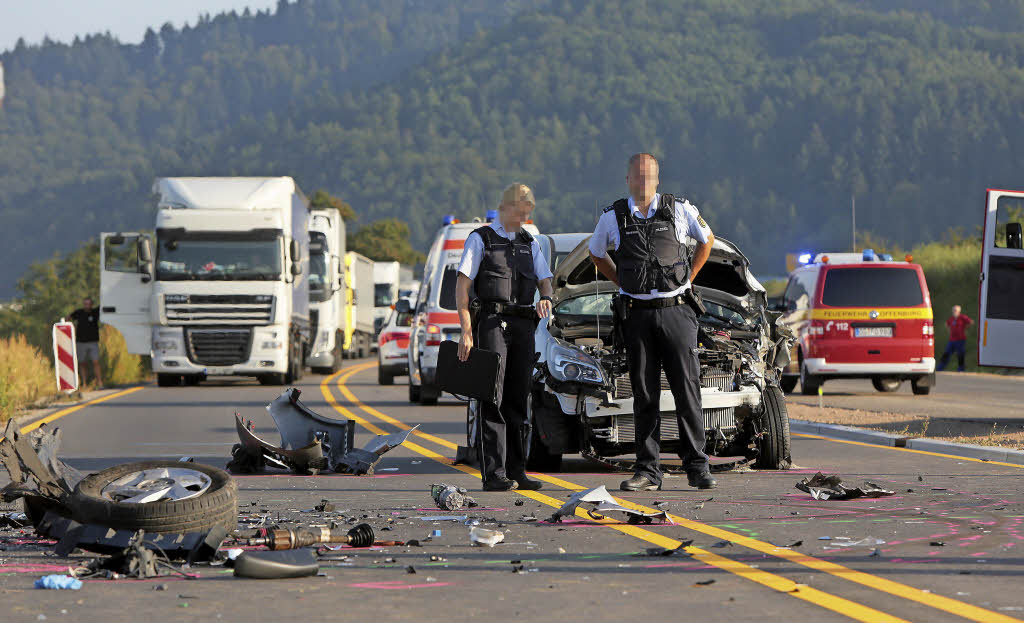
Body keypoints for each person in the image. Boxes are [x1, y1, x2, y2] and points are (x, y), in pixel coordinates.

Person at [590, 153, 716, 492]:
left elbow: (708, 241)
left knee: (686, 390)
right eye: (637, 176)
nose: (643, 181)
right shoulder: (613, 217)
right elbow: (596, 252)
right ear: (628, 179)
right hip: (638, 315)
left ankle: (697, 466)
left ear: (657, 180)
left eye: (649, 176)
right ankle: (647, 471)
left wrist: (689, 276)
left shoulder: (680, 209)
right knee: (644, 395)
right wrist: (621, 281)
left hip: (677, 312)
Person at [455, 183, 554, 492]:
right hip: (493, 323)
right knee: (492, 397)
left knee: (518, 398)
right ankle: (494, 473)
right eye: (521, 211)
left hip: (524, 324)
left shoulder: (529, 243)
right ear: (507, 207)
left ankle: (517, 471)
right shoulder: (480, 239)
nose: (525, 217)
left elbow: (546, 279)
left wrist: (546, 297)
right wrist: (466, 330)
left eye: (529, 212)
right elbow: (462, 285)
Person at [69, 297, 103, 387]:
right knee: (82, 363)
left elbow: (105, 305)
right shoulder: (79, 313)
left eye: (89, 304)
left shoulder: (95, 312)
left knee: (96, 361)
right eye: (85, 304)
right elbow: (68, 318)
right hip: (81, 342)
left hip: (93, 342)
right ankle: (84, 383)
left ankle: (100, 382)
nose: (87, 306)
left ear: (92, 305)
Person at [937, 305, 972, 372]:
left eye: (956, 310)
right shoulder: (952, 319)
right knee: (946, 354)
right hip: (952, 340)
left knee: (960, 355)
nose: (954, 312)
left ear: (959, 311)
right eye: (953, 310)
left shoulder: (962, 317)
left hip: (960, 340)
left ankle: (961, 369)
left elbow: (970, 322)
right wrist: (950, 331)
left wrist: (965, 328)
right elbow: (946, 324)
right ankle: (940, 368)